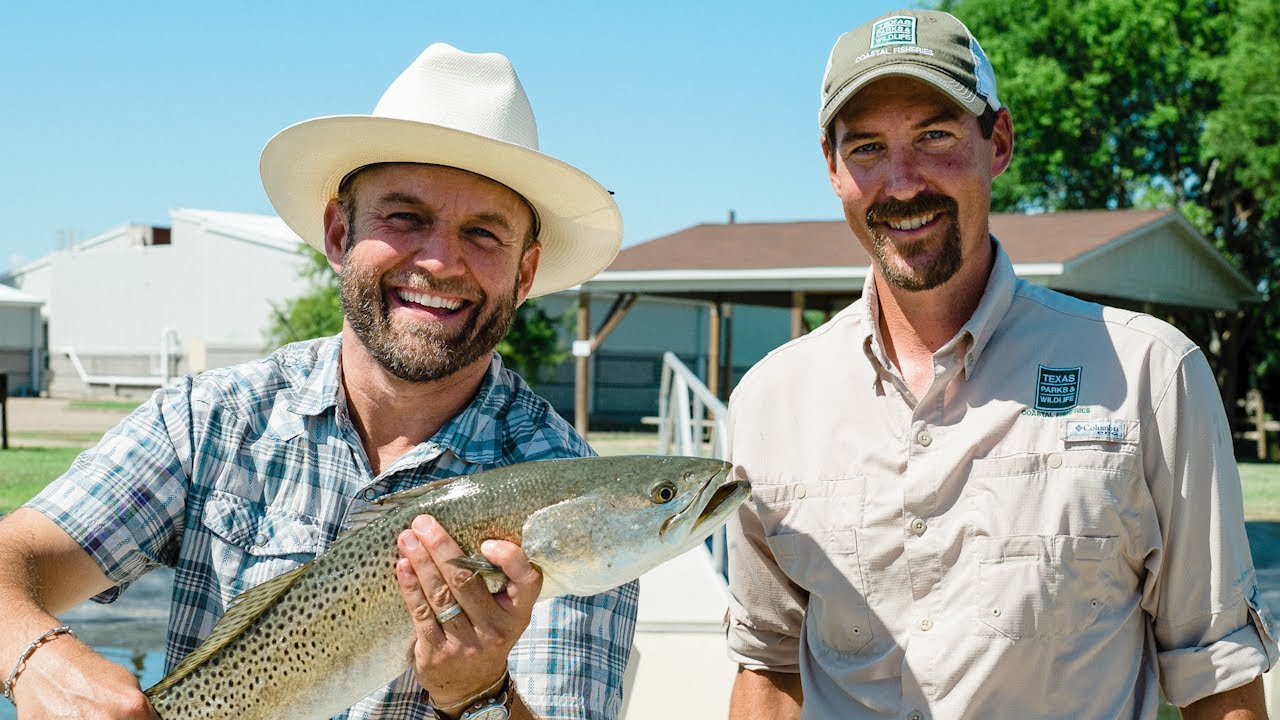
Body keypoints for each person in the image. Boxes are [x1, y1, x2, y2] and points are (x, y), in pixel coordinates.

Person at [0, 44, 632, 720]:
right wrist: (34, 657)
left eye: (483, 232)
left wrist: (476, 695)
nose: (441, 261)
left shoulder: (581, 502)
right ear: (338, 232)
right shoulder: (211, 418)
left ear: (526, 272)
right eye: (406, 217)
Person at [724, 8, 1278, 719]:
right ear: (832, 168)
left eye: (935, 136)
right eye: (866, 148)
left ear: (1001, 141)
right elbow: (768, 668)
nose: (901, 183)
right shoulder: (770, 403)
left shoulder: (1148, 377)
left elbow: (1218, 676)